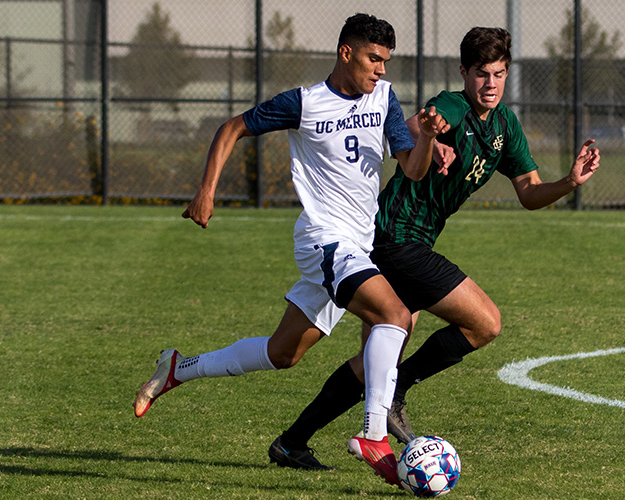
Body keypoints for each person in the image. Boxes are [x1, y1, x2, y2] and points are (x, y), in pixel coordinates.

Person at [132, 13, 449, 487]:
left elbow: (415, 169)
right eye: (373, 59)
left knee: (284, 354)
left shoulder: (384, 98)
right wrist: (206, 191)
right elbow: (232, 128)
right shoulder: (304, 103)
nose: (381, 70)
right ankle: (373, 434)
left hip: (356, 246)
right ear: (347, 53)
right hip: (324, 239)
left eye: (386, 61)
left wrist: (424, 137)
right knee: (396, 316)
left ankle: (180, 367)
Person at [268, 26, 601, 470]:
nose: (491, 84)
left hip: (411, 242)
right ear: (464, 72)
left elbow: (528, 192)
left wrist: (569, 182)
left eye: (500, 74)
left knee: (372, 364)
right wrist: (431, 138)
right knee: (486, 323)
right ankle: (395, 394)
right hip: (394, 238)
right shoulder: (452, 104)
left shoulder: (504, 124)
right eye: (482, 74)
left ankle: (292, 442)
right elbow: (407, 129)